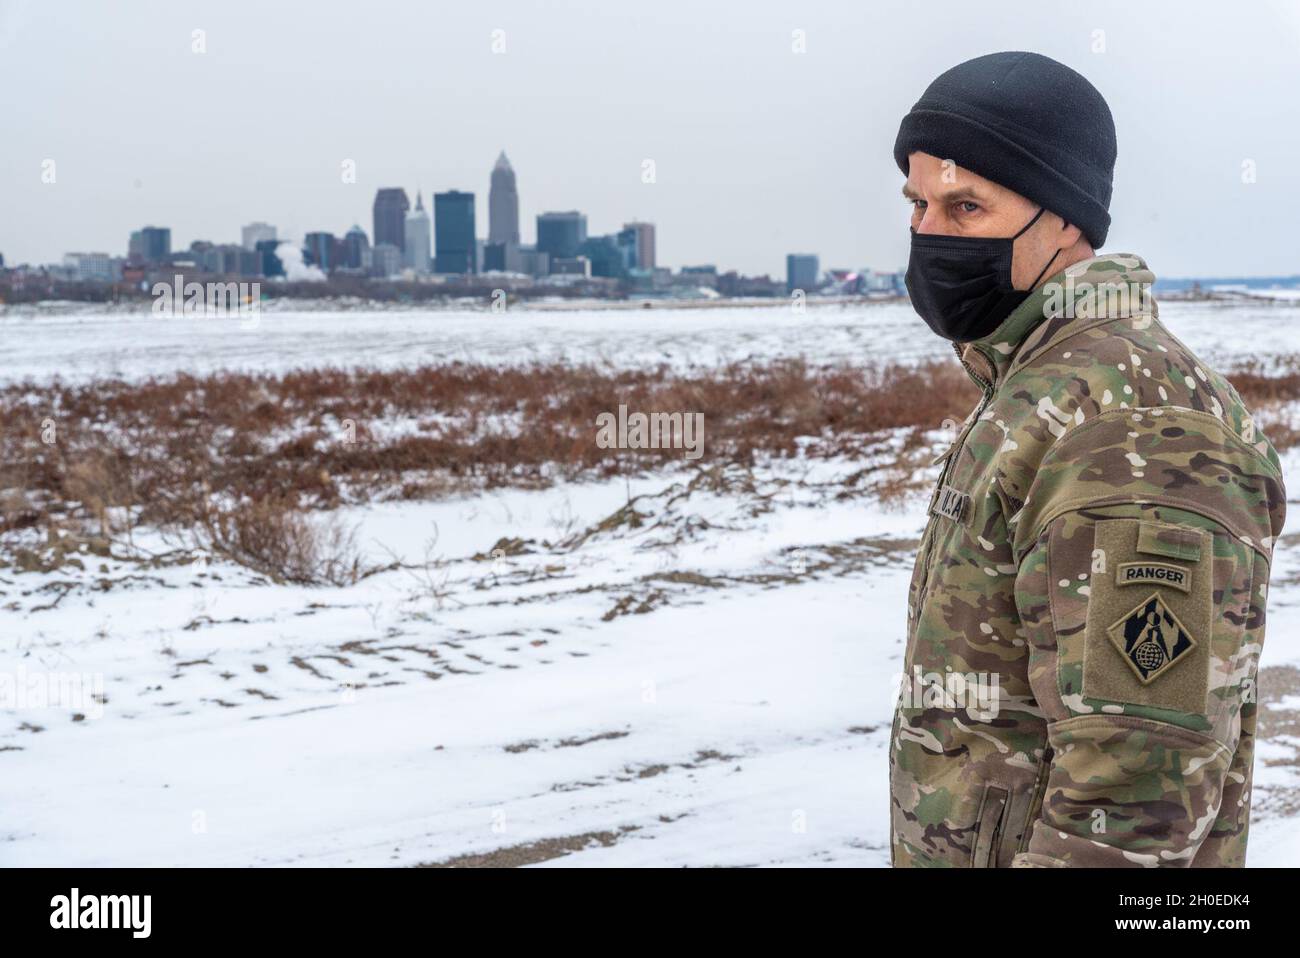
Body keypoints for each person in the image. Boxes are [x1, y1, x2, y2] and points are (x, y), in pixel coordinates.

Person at [888, 51, 1287, 867]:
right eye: (917, 204)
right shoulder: (1040, 387)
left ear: (1066, 220)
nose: (929, 235)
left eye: (965, 206)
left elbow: (1137, 800)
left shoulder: (1132, 426)